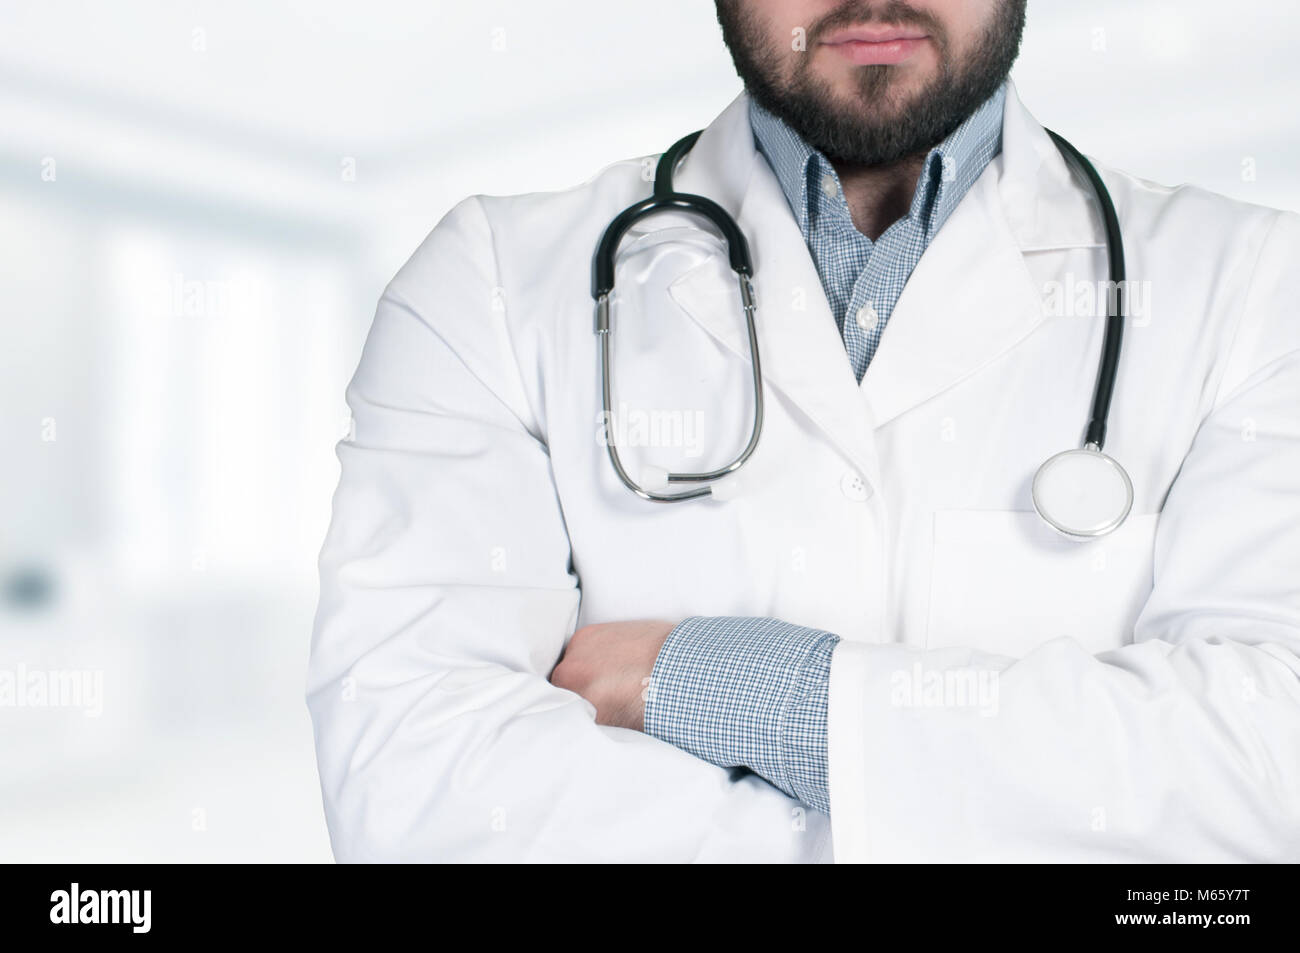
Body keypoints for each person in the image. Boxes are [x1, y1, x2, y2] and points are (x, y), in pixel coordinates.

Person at [308, 0, 1300, 862]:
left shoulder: (1255, 288)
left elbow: (1270, 762)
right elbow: (418, 788)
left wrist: (775, 696)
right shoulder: (490, 284)